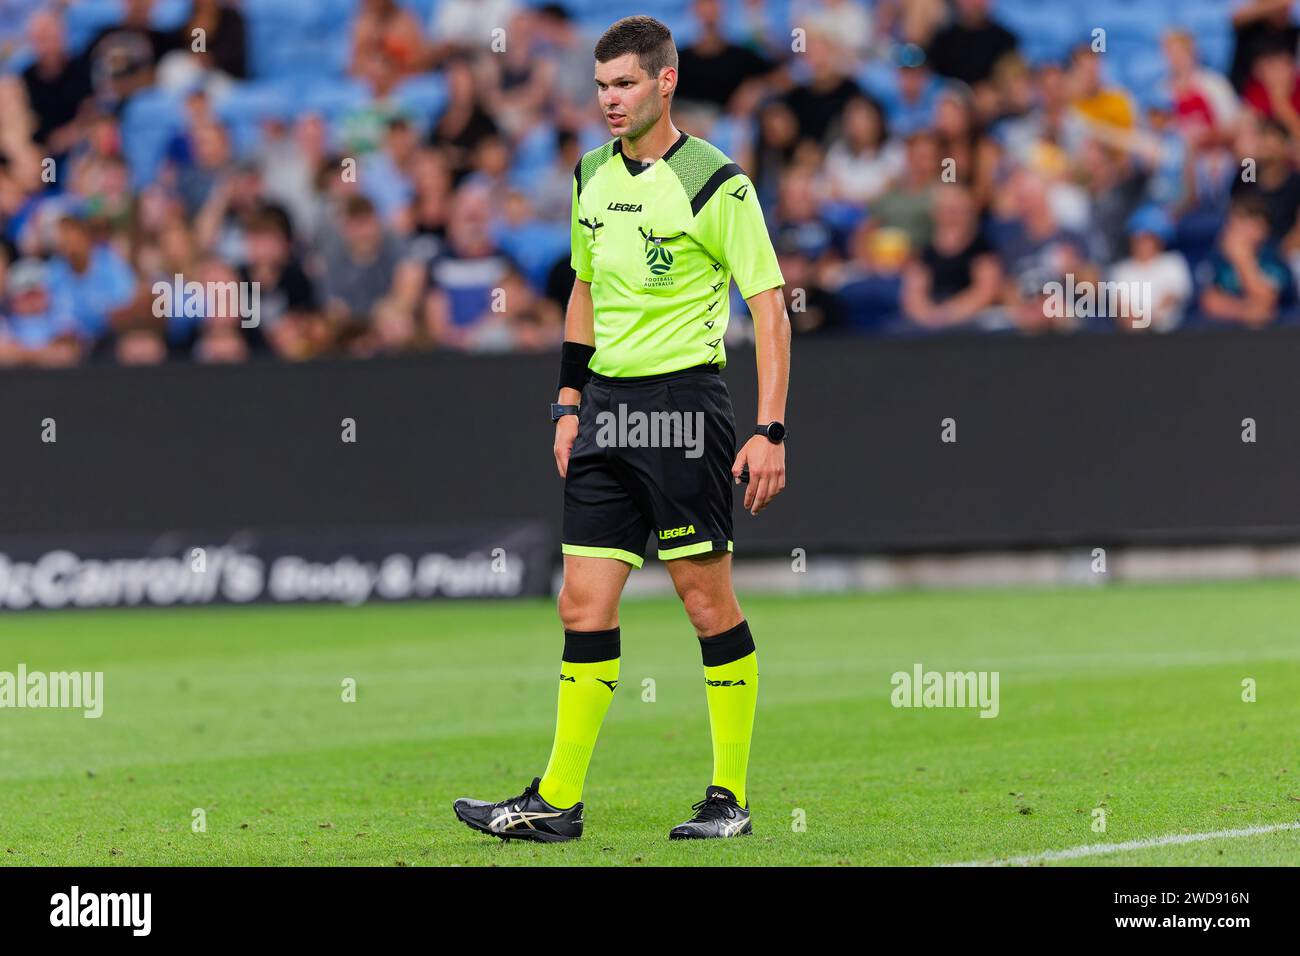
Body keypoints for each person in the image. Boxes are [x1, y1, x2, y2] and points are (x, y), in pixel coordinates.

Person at [453, 15, 790, 843]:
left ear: (665, 81)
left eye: (625, 84)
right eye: (601, 86)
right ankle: (556, 801)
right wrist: (568, 403)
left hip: (684, 408)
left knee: (704, 601)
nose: (609, 100)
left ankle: (728, 797)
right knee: (581, 603)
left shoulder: (717, 182)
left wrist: (770, 430)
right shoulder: (590, 175)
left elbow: (770, 309)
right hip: (605, 409)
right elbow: (583, 290)